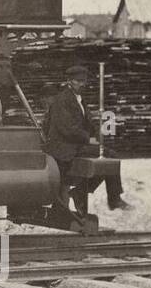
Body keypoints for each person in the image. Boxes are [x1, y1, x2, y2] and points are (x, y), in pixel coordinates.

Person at [42, 64, 132, 220]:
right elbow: (67, 129)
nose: (82, 84)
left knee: (107, 155)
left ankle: (81, 192)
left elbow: (88, 124)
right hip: (63, 147)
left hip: (74, 144)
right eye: (78, 81)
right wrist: (88, 139)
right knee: (109, 155)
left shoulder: (79, 100)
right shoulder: (62, 100)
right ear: (69, 81)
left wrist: (99, 137)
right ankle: (113, 198)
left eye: (84, 81)